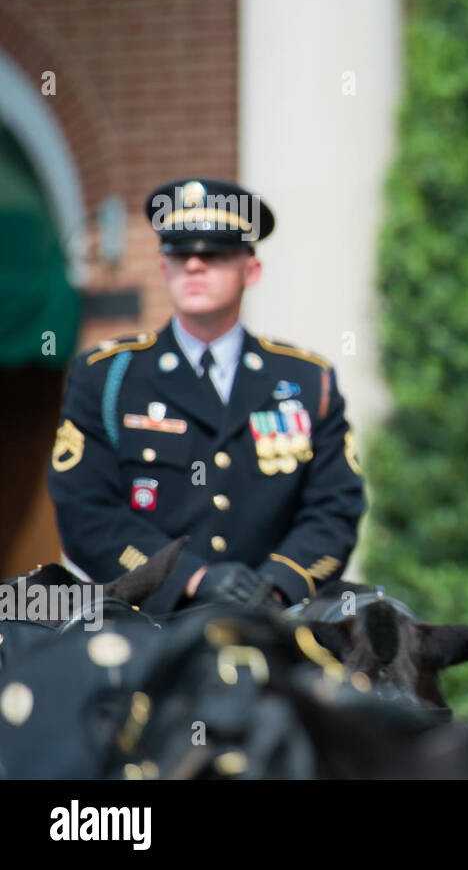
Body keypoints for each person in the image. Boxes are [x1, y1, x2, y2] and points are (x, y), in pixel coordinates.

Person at [47, 178, 366, 613]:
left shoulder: (309, 380)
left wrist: (275, 585)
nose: (194, 266)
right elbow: (85, 510)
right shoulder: (107, 376)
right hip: (147, 622)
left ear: (251, 270)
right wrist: (190, 578)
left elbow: (334, 507)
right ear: (164, 270)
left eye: (214, 254)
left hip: (273, 621)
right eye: (179, 255)